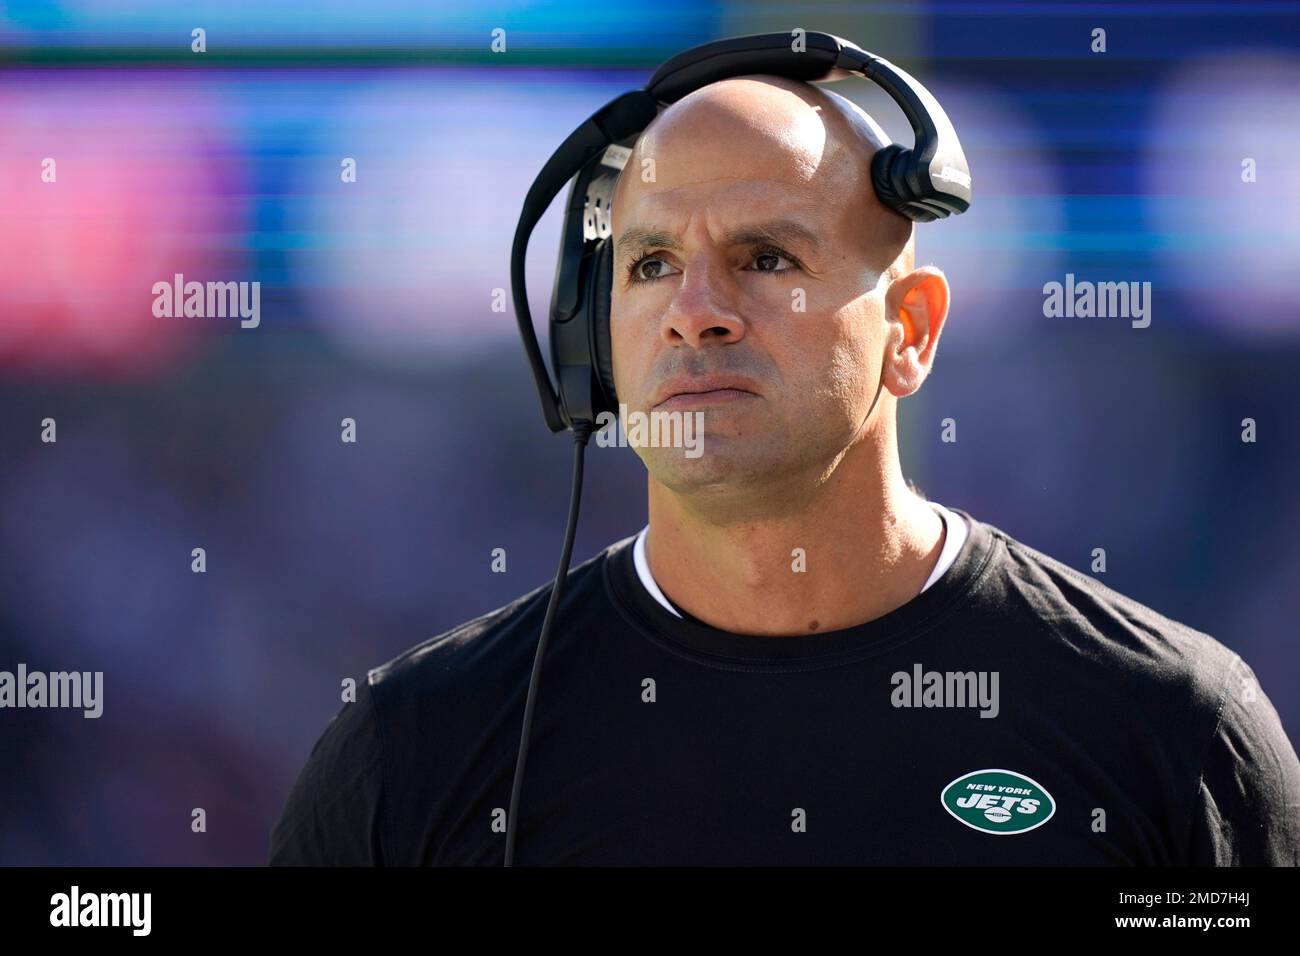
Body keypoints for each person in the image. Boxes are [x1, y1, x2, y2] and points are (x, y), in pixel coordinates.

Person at [268, 74, 1300, 866]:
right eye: (650, 263)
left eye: (767, 258)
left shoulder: (1172, 726)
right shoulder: (411, 752)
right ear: (592, 340)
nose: (694, 308)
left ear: (912, 329)